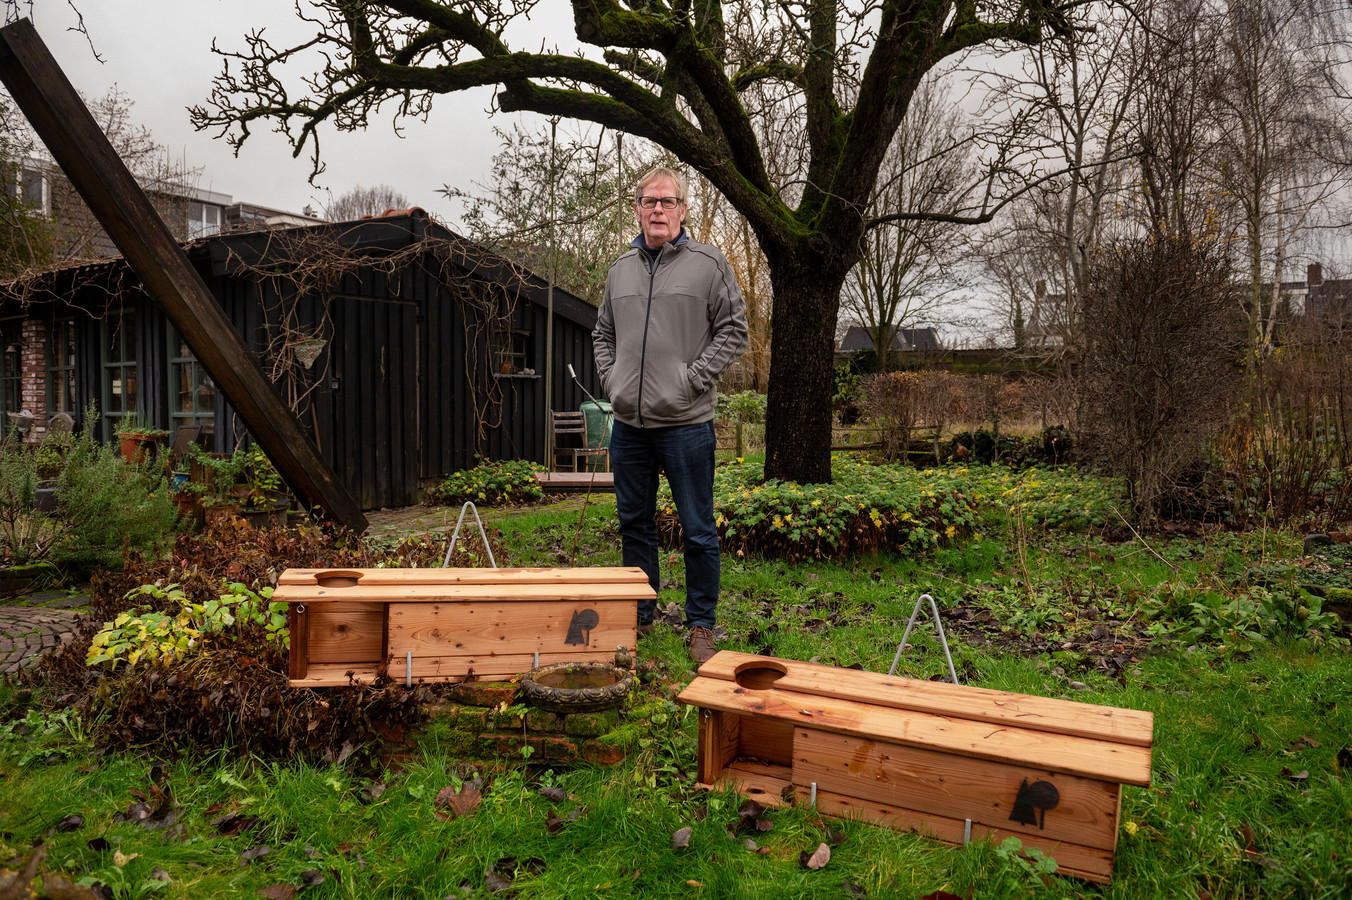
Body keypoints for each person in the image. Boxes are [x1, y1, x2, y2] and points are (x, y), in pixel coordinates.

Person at [592, 166, 749, 665]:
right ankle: (640, 611)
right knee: (633, 524)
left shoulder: (708, 264)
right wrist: (613, 380)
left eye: (667, 201)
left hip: (686, 425)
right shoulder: (620, 270)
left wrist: (691, 379)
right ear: (637, 209)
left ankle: (701, 624)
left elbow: (734, 331)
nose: (657, 209)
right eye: (648, 201)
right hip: (631, 429)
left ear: (682, 210)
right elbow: (602, 335)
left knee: (697, 527)